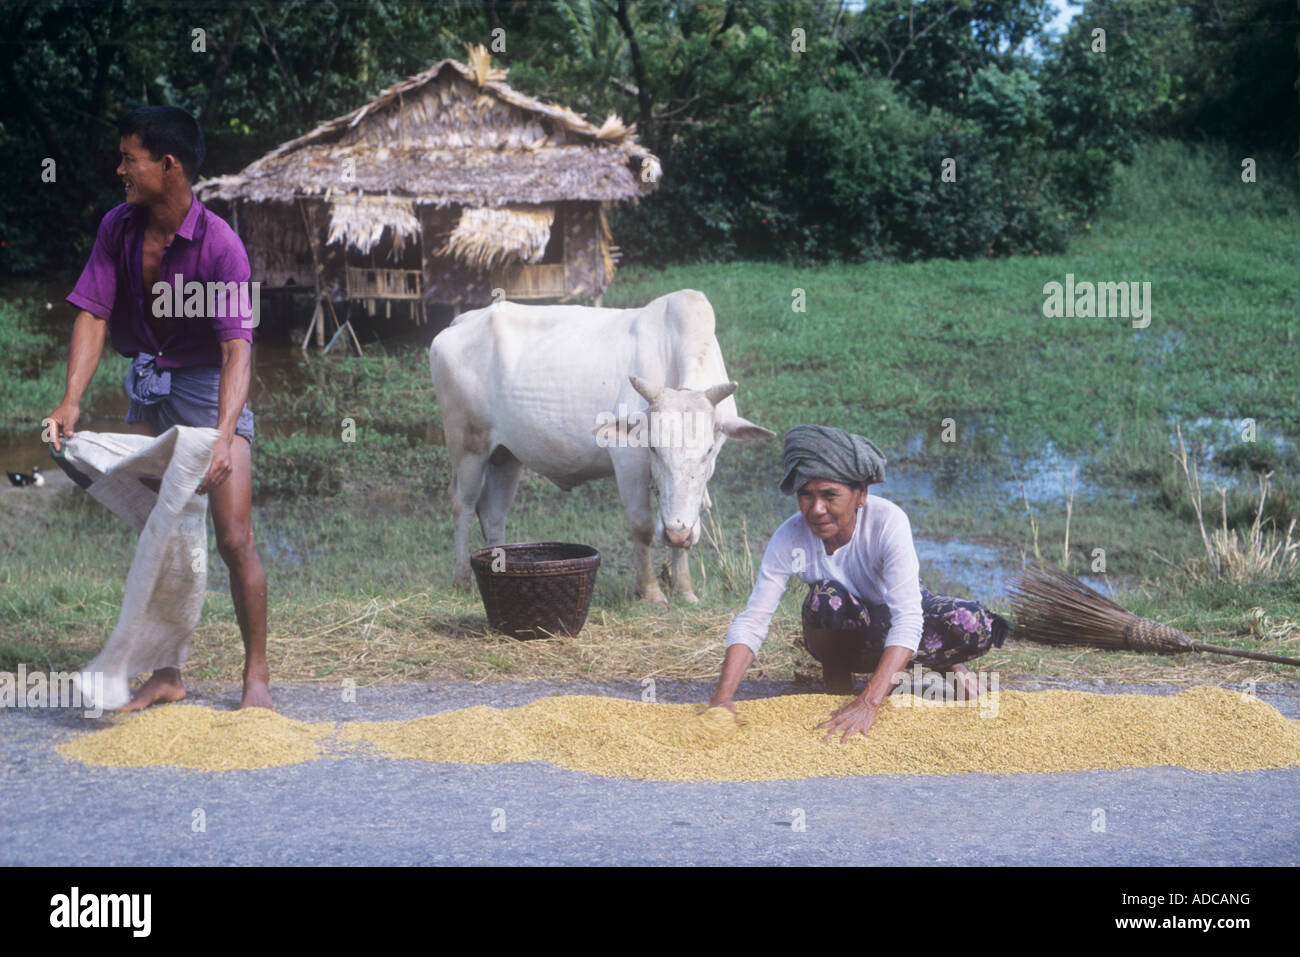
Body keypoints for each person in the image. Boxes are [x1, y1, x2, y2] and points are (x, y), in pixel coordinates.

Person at [45, 106, 272, 711]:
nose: (119, 168)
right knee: (165, 531)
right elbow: (93, 312)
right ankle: (167, 673)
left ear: (168, 166)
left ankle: (257, 678)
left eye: (129, 158)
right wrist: (72, 399)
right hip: (148, 384)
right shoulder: (118, 227)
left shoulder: (222, 247)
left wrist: (224, 435)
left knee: (233, 536)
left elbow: (236, 351)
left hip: (206, 390)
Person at [708, 425, 1007, 743]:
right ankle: (836, 674)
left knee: (972, 623)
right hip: (847, 629)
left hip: (894, 621)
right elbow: (754, 620)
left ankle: (946, 661)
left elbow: (908, 617)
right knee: (825, 597)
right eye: (806, 495)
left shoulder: (888, 522)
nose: (816, 509)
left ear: (861, 493)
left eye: (829, 495)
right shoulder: (789, 537)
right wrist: (722, 699)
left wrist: (868, 703)